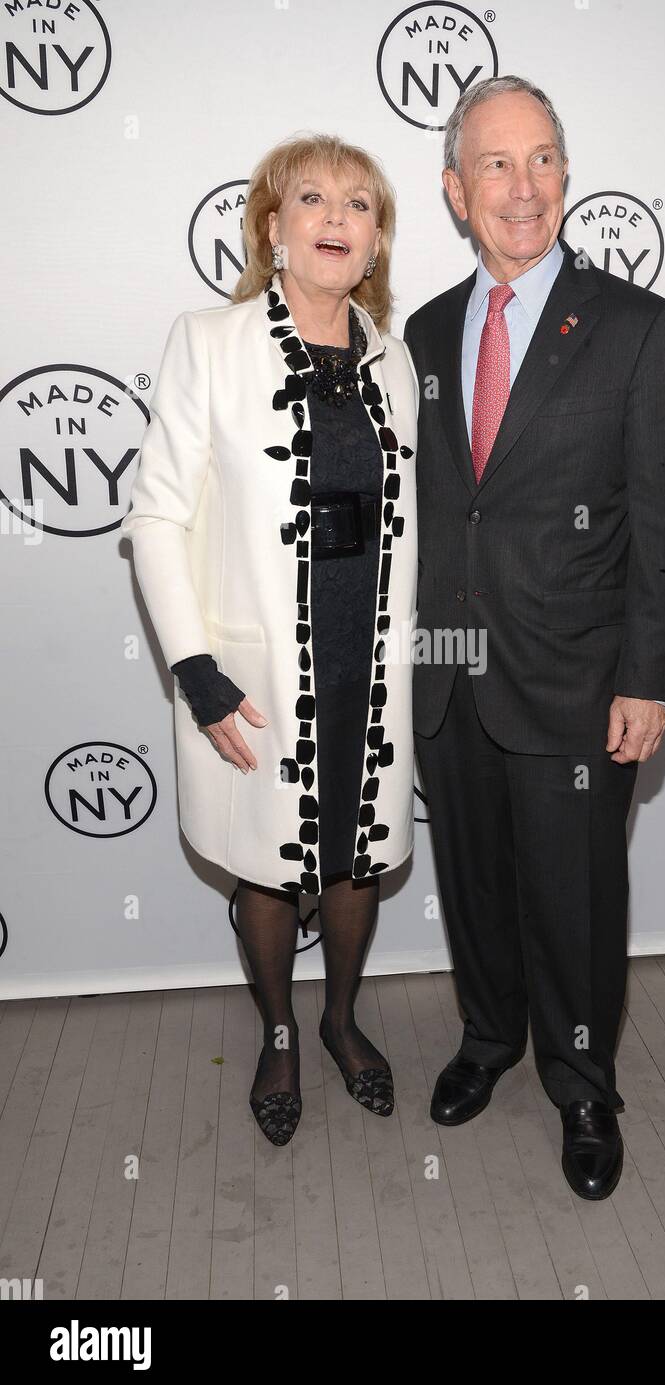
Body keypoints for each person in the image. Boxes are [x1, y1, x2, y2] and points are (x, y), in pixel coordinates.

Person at [403, 77, 665, 1199]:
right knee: (473, 879)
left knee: (574, 896)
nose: (520, 188)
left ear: (565, 177)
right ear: (453, 189)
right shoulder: (425, 331)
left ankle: (581, 1084)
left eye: (540, 161)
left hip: (579, 681)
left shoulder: (634, 326)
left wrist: (648, 679)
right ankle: (488, 1041)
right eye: (493, 164)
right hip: (448, 675)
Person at [120, 135, 419, 1146]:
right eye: (310, 198)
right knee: (264, 864)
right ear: (272, 229)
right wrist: (195, 671)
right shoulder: (209, 342)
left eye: (359, 205)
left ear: (374, 243)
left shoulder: (395, 359)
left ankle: (339, 1018)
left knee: (350, 860)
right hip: (254, 668)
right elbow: (156, 515)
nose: (336, 217)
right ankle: (280, 1030)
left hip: (364, 662)